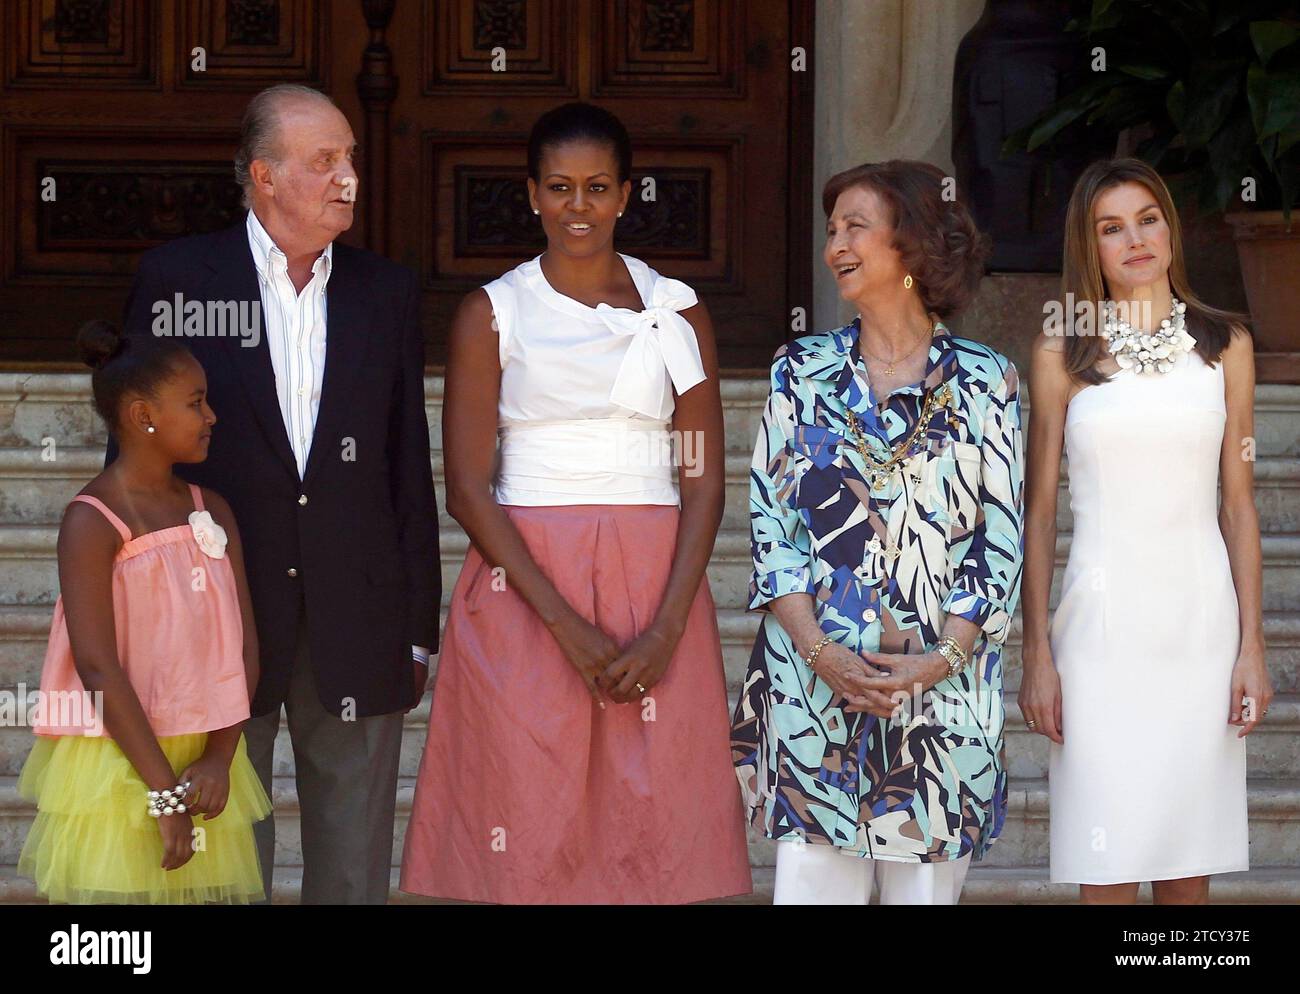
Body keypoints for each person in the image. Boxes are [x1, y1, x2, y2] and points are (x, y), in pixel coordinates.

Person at [399, 102, 752, 904]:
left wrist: (666, 626)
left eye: (598, 187)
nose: (579, 206)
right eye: (559, 187)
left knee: (651, 810)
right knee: (528, 804)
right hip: (526, 583)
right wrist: (565, 622)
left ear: (628, 194)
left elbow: (700, 476)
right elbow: (465, 487)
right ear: (531, 193)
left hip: (654, 579)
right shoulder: (492, 312)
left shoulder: (678, 307)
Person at [106, 83, 440, 904]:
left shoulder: (386, 292)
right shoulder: (180, 277)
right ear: (264, 175)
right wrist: (148, 617)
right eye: (326, 161)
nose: (348, 177)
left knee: (355, 863)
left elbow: (406, 466)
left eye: (351, 158)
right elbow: (139, 460)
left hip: (358, 613)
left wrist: (417, 629)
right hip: (214, 615)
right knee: (222, 859)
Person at [731, 160, 1023, 904]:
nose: (836, 246)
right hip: (815, 688)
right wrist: (822, 652)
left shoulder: (989, 380)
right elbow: (773, 530)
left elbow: (1002, 543)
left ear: (914, 242)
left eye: (855, 226)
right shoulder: (801, 370)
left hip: (940, 698)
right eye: (832, 231)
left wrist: (938, 661)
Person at [1021, 158, 1270, 904]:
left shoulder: (1227, 345)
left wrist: (1253, 645)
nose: (1135, 239)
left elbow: (1238, 505)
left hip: (1198, 627)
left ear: (1171, 227)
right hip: (1098, 634)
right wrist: (1036, 651)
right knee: (1108, 859)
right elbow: (1038, 512)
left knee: (1185, 861)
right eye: (1111, 227)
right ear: (1089, 248)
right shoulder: (1061, 353)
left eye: (1148, 218)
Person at [19, 321, 269, 904]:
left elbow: (245, 647)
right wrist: (164, 797)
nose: (212, 417)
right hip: (121, 760)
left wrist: (218, 757)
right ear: (142, 416)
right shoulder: (92, 521)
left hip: (202, 757)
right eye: (196, 403)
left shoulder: (215, 510)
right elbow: (97, 666)